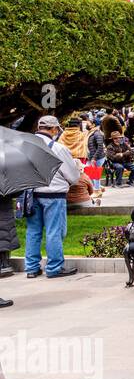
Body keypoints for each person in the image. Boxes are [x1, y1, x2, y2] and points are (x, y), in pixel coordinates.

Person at [23, 115, 83, 280]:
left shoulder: (25, 147)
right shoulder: (58, 148)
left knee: (33, 232)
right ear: (54, 129)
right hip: (54, 195)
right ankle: (54, 267)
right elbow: (73, 176)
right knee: (54, 232)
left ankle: (31, 268)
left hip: (31, 194)